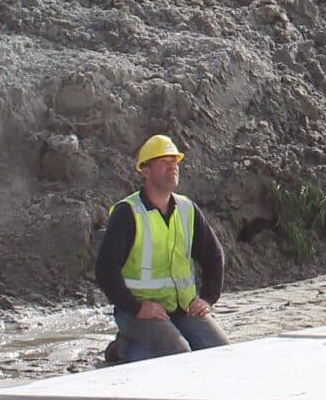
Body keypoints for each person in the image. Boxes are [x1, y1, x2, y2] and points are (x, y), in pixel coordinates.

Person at [93, 134, 231, 363]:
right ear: (145, 171)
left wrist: (207, 298)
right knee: (178, 356)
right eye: (163, 162)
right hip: (139, 312)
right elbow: (106, 268)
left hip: (182, 308)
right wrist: (136, 307)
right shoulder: (128, 212)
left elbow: (214, 255)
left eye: (174, 162)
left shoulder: (187, 209)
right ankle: (122, 350)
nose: (172, 168)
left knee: (221, 353)